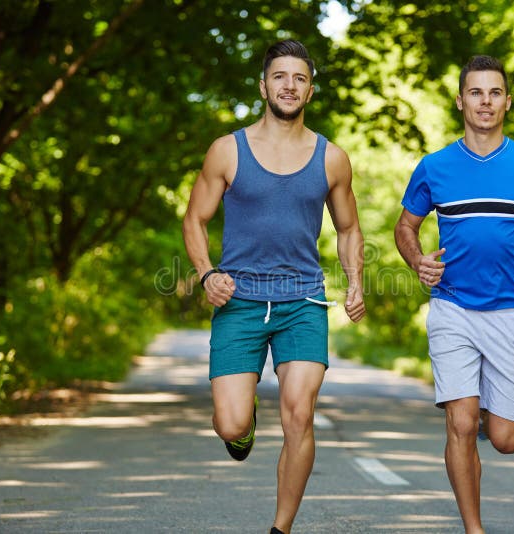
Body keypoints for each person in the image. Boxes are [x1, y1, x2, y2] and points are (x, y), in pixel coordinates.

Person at [182, 39, 366, 534]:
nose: (289, 85)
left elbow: (348, 229)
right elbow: (195, 219)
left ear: (310, 90)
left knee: (300, 416)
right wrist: (206, 274)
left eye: (300, 78)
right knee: (231, 425)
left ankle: (280, 528)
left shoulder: (332, 158)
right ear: (264, 86)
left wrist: (355, 282)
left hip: (303, 301)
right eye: (280, 77)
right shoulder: (227, 150)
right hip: (239, 302)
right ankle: (244, 421)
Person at [394, 55, 514, 533]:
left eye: (495, 92)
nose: (485, 101)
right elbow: (405, 227)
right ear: (460, 101)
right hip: (452, 307)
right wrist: (417, 261)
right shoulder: (434, 167)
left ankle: (476, 428)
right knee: (460, 423)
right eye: (476, 92)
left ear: (507, 102)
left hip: (510, 311)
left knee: (505, 438)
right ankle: (474, 528)